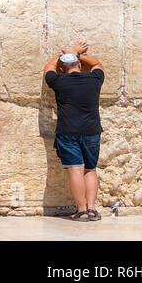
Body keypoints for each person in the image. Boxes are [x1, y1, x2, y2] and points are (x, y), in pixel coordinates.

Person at [44, 41, 104, 221]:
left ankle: (81, 210)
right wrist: (78, 53)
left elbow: (49, 67)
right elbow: (96, 64)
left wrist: (66, 54)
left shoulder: (58, 81)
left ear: (62, 70)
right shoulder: (95, 79)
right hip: (91, 131)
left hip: (68, 131)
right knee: (90, 169)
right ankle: (92, 209)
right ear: (79, 66)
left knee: (76, 170)